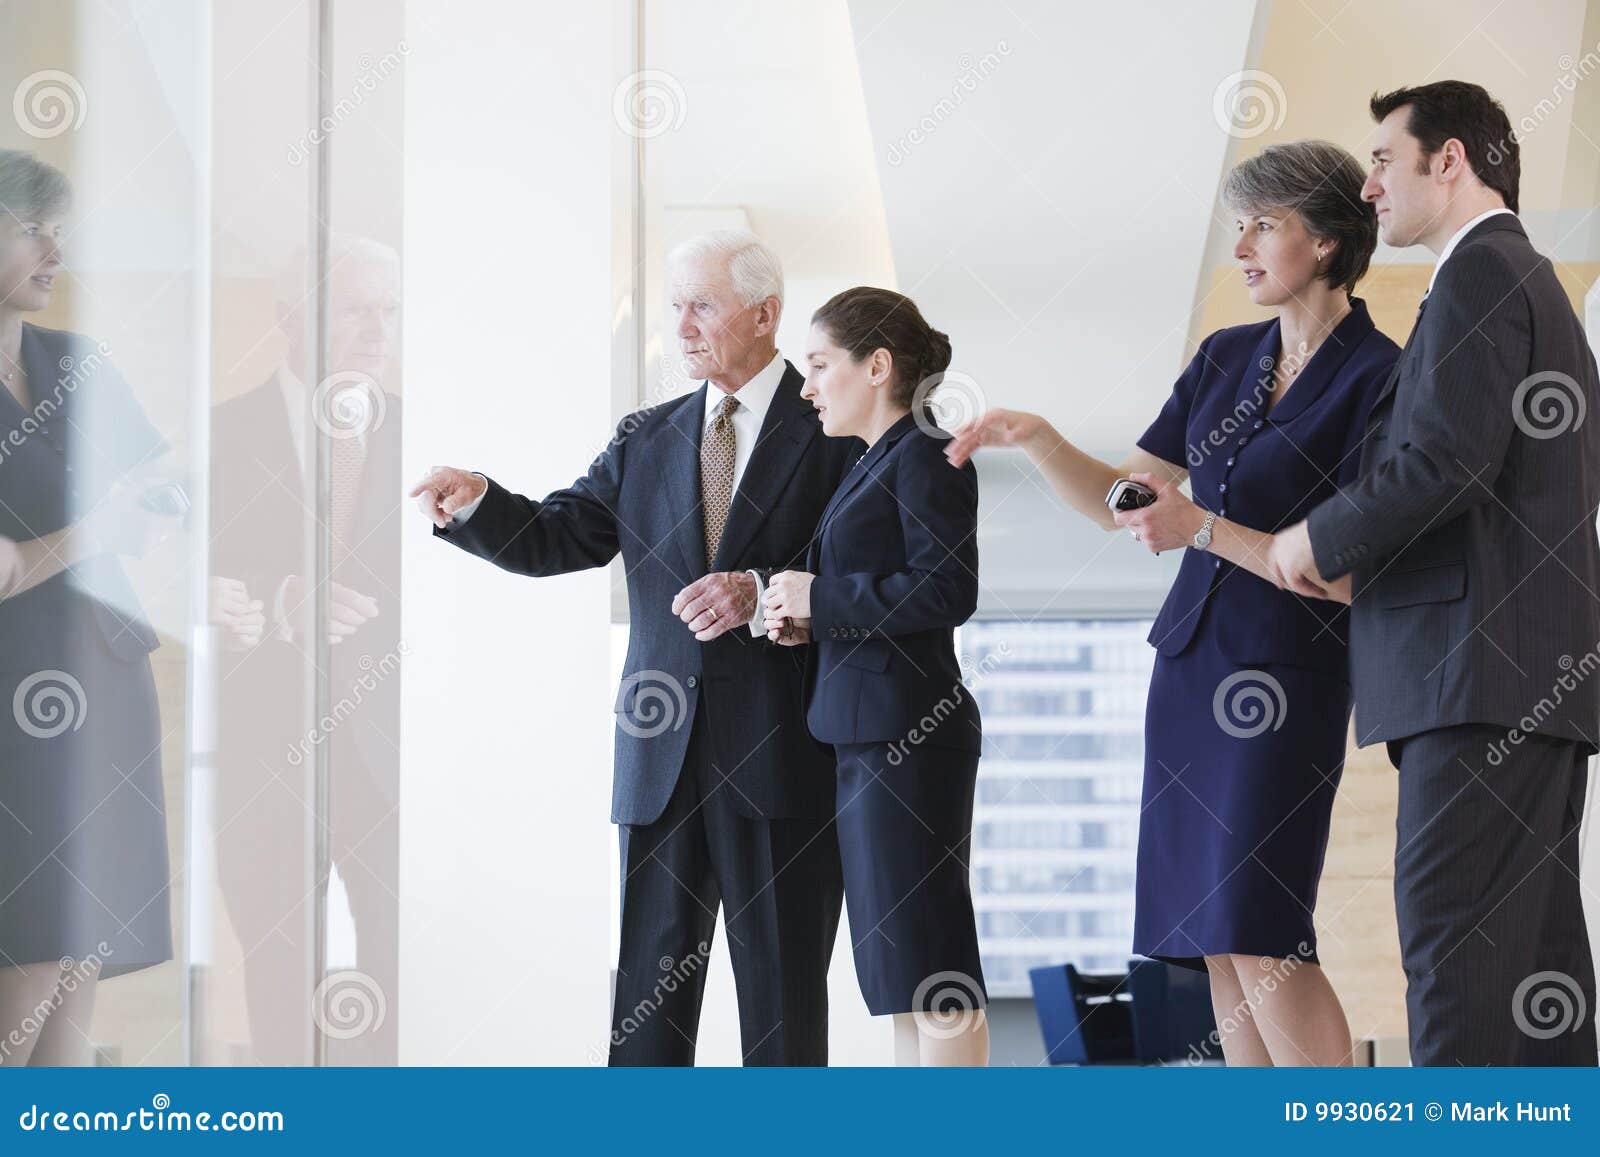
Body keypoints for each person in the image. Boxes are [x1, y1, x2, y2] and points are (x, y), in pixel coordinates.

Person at [945, 140, 1398, 1066]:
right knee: (1211, 934)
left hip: (1289, 671)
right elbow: (1131, 502)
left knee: (1265, 923)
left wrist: (1200, 527)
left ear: (1324, 240)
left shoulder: (1381, 377)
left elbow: (1353, 566)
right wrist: (1040, 439)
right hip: (1192, 664)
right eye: (1241, 225)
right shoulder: (1225, 357)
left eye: (1264, 224)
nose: (1243, 245)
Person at [411, 230, 857, 1066]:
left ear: (765, 314)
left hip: (787, 756)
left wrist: (761, 590)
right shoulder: (646, 435)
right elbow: (558, 535)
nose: (681, 325)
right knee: (646, 1013)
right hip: (660, 761)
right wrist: (479, 505)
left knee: (784, 1008)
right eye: (673, 305)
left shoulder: (836, 425)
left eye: (703, 305)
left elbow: (862, 576)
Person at [1268, 82, 1600, 1066]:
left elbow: (1443, 462)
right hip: (1518, 679)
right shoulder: (1522, 283)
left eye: (1381, 160)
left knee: (1456, 967)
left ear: (1447, 160)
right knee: (1536, 979)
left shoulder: (1480, 276)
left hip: (1476, 680)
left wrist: (1314, 540)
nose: (1367, 187)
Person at [763, 287, 989, 1066]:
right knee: (898, 974)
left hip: (907, 737)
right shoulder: (878, 461)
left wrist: (823, 596)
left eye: (820, 364)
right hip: (870, 735)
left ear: (878, 365)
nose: (807, 385)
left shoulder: (928, 452)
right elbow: (892, 595)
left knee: (932, 970)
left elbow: (947, 587)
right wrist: (811, 619)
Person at [0, 149, 176, 1064]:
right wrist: (99, 525)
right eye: (32, 228)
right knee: (28, 954)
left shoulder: (74, 359)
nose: (53, 248)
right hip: (14, 701)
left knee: (79, 960)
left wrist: (137, 513)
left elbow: (160, 486)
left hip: (104, 677)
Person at [209, 235, 402, 1063]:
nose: (378, 329)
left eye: (389, 310)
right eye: (355, 308)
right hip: (266, 746)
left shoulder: (430, 438)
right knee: (279, 966)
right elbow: (186, 562)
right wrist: (285, 596)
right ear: (291, 318)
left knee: (400, 964)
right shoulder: (222, 430)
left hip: (390, 749)